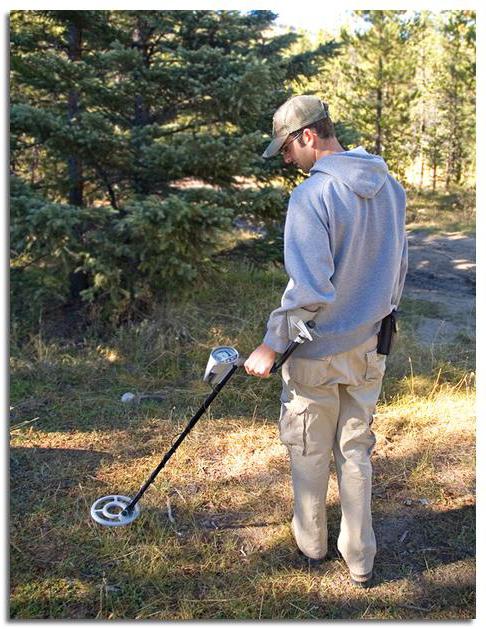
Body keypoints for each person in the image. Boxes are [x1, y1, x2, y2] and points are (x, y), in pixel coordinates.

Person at [244, 94, 408, 588]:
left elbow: (310, 291)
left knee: (309, 449)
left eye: (288, 150)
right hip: (369, 346)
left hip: (315, 354)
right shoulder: (390, 186)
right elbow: (398, 269)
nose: (287, 161)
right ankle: (360, 559)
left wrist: (272, 346)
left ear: (308, 136)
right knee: (355, 450)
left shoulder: (311, 197)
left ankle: (312, 545)